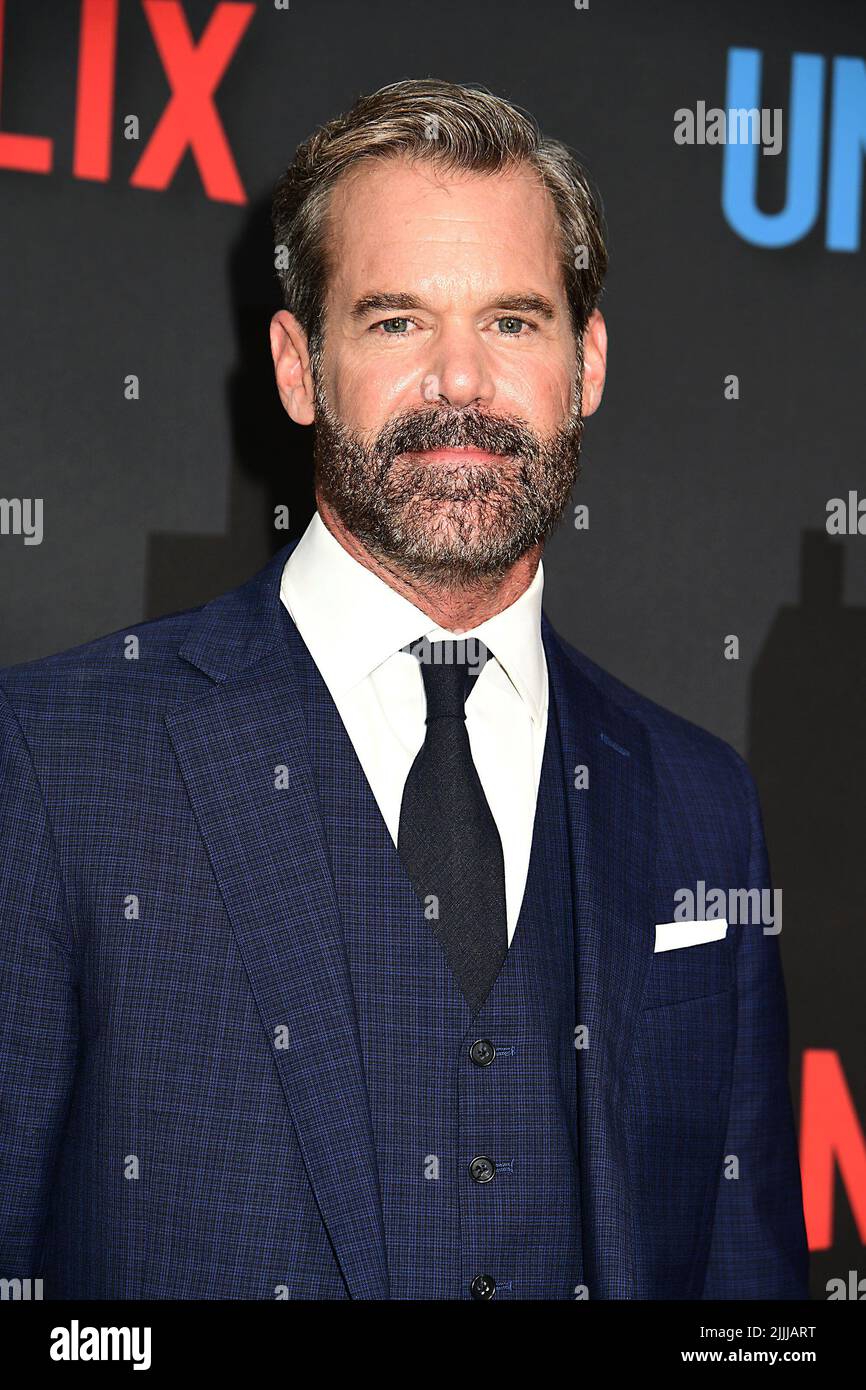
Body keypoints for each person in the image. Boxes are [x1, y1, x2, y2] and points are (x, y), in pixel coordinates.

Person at [0, 78, 808, 1300]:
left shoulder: (699, 800)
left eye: (512, 322)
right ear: (295, 365)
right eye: (394, 322)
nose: (459, 384)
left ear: (584, 363)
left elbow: (743, 1297)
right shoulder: (57, 758)